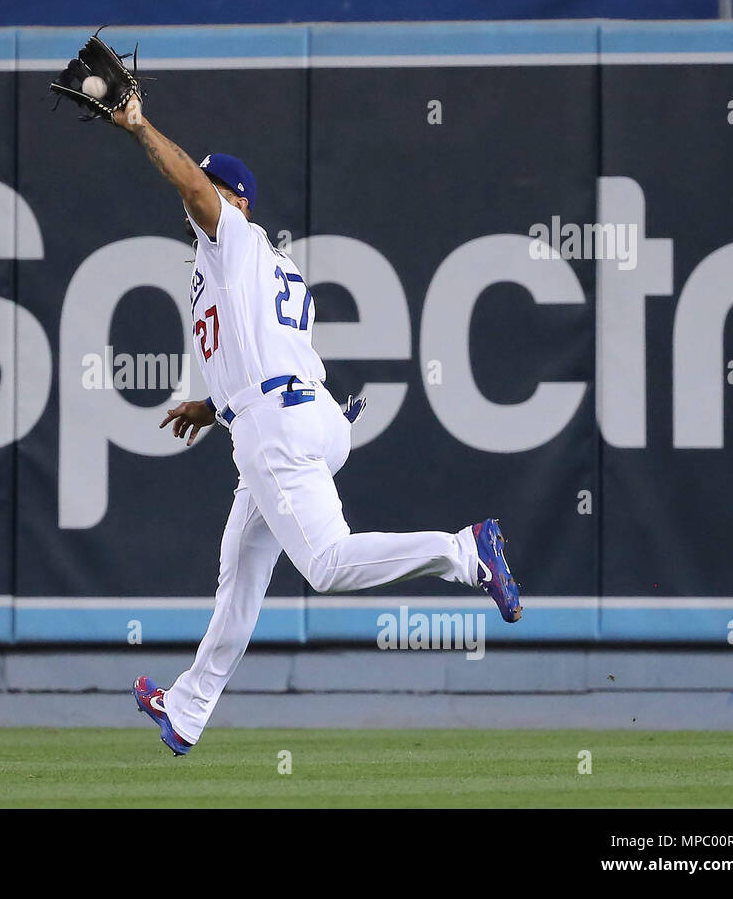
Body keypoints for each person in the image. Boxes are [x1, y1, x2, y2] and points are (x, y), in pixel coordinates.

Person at [107, 93, 522, 755]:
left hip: (279, 428)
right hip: (304, 416)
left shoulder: (233, 238)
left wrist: (136, 125)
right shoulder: (267, 266)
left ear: (238, 202)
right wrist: (212, 407)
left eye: (214, 189)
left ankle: (464, 551)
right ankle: (186, 708)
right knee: (239, 570)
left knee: (326, 564)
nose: (198, 196)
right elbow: (265, 355)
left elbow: (187, 180)